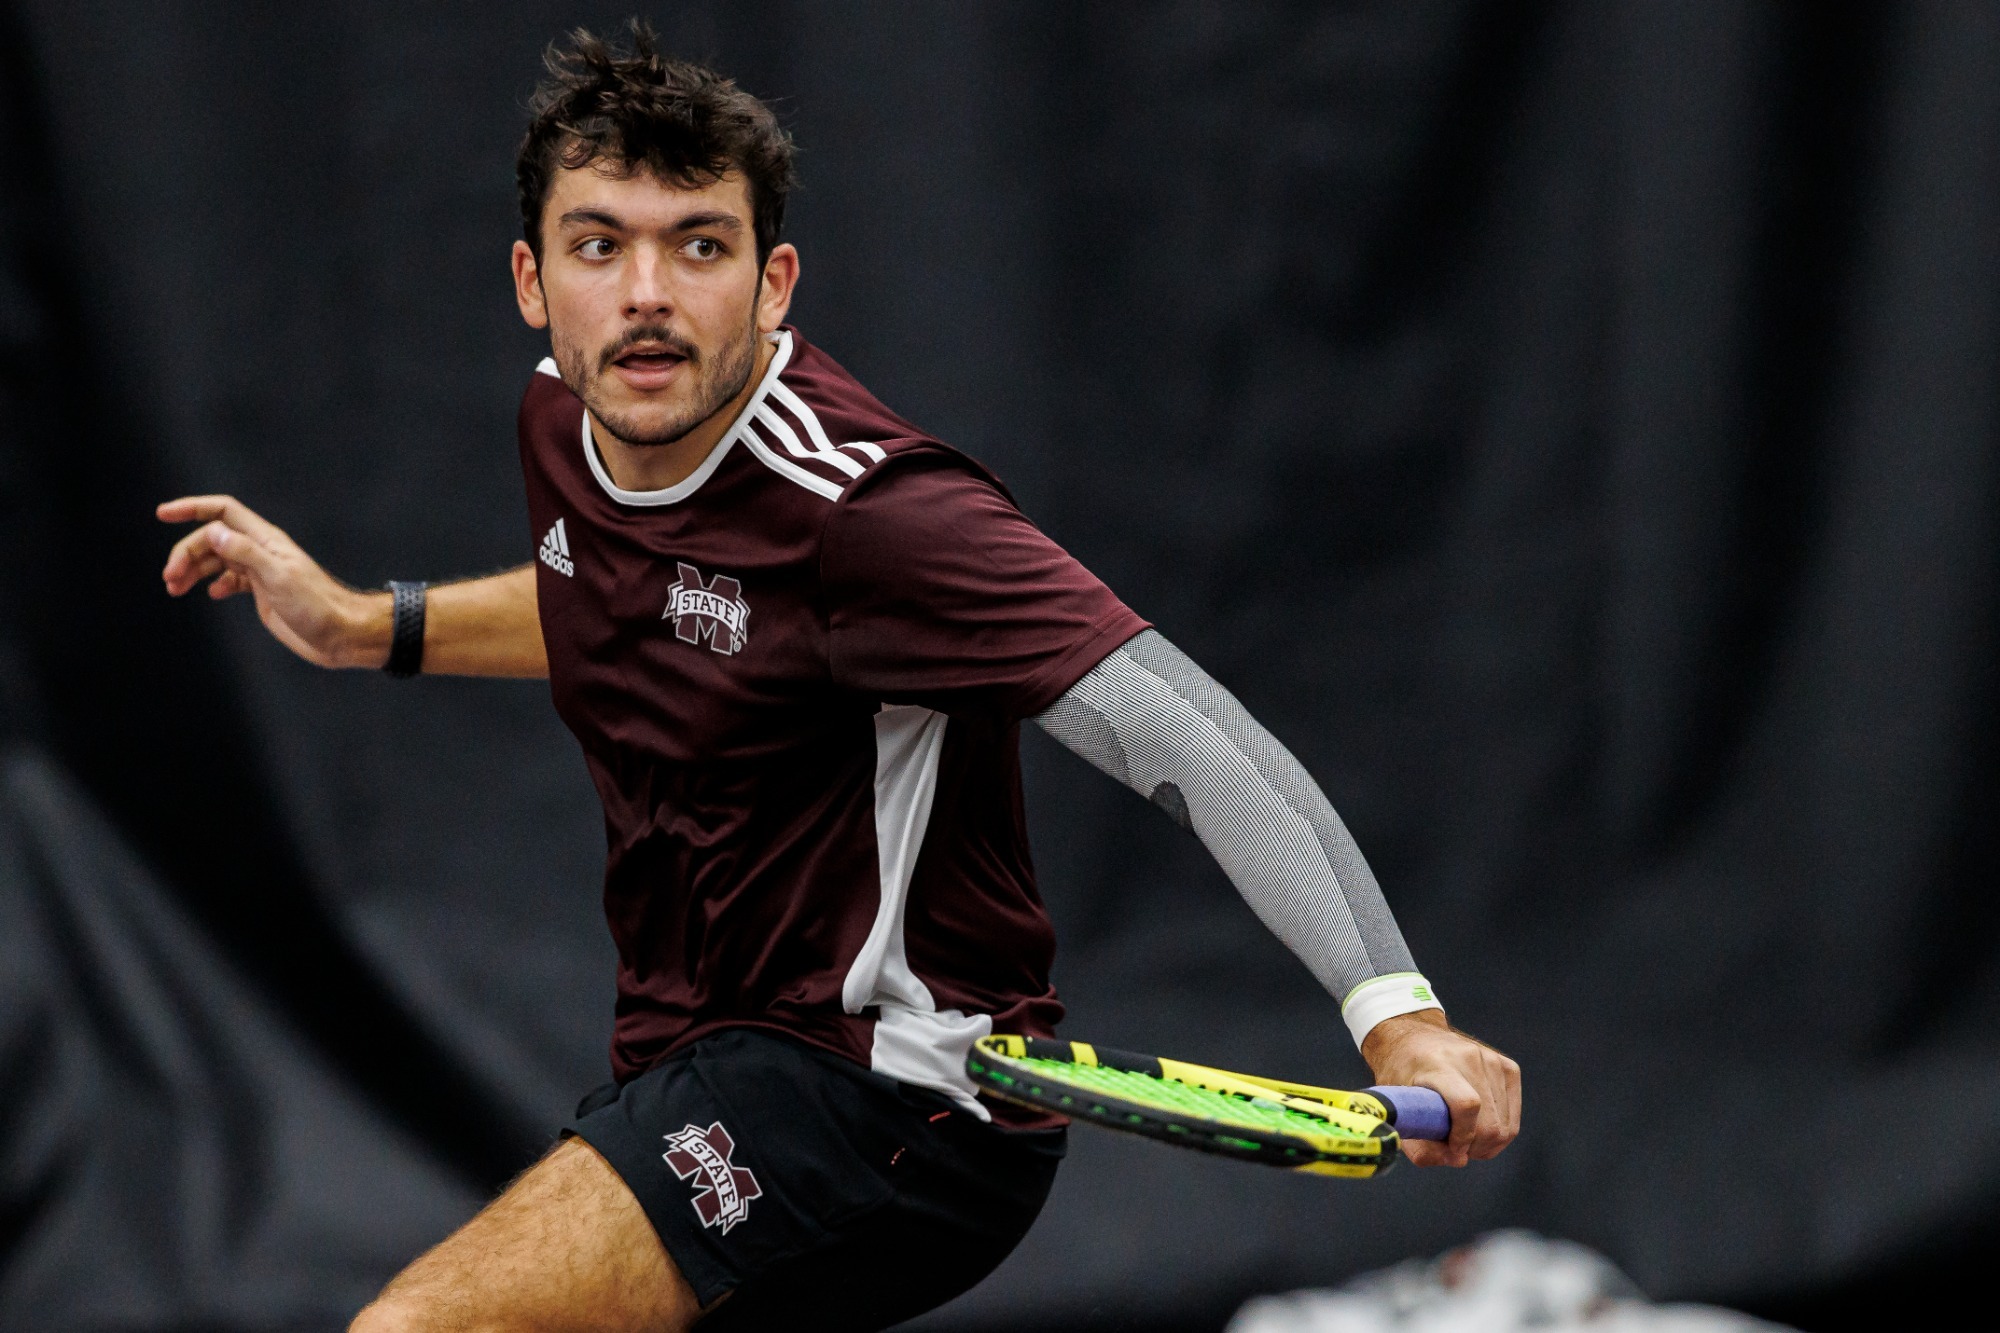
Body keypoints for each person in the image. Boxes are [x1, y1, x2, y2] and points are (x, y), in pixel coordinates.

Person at [157, 25, 1520, 1333]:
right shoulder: (567, 425)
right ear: (532, 283)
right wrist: (359, 623)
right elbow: (604, 599)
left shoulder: (874, 516)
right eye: (599, 246)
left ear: (773, 282)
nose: (646, 294)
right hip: (695, 1046)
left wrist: (1400, 1018)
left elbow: (1190, 735)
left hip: (886, 1092)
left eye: (699, 246)